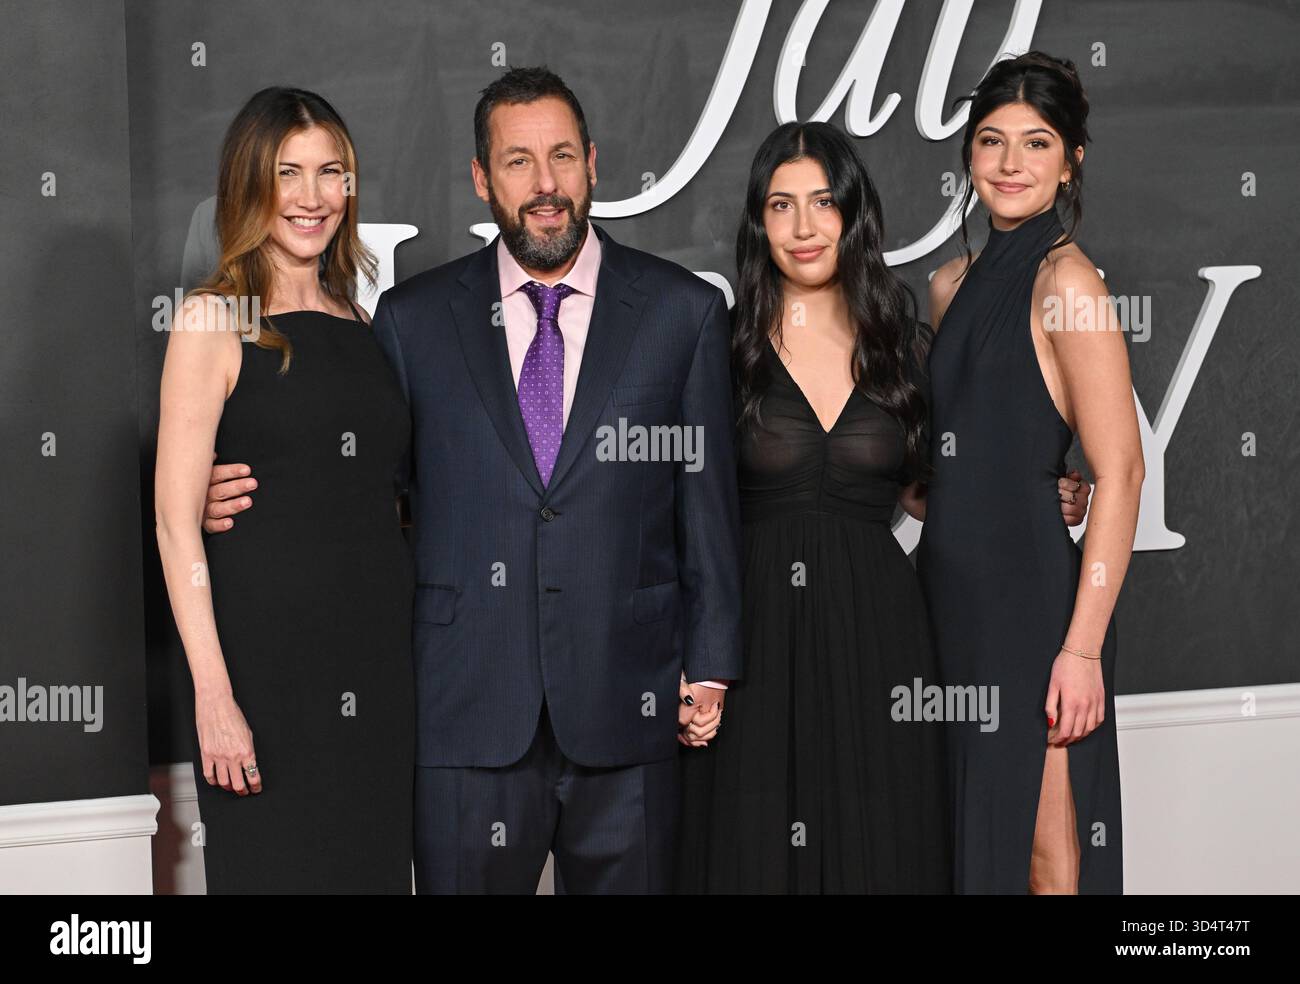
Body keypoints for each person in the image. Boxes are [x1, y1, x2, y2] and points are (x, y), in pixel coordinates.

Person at [203, 66, 742, 894]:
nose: (546, 184)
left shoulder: (684, 311)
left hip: (630, 701)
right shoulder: (414, 322)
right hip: (461, 712)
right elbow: (364, 482)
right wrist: (229, 489)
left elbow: (708, 503)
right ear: (482, 179)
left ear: (594, 163)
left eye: (562, 156)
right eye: (518, 162)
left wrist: (709, 663)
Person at [675, 121, 1092, 893]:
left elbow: (935, 487)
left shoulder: (902, 343)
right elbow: (683, 511)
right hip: (755, 643)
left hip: (884, 637)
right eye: (780, 205)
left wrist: (1045, 490)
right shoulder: (720, 344)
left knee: (883, 850)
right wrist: (697, 660)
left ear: (854, 212)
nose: (803, 228)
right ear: (757, 221)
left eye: (824, 202)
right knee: (754, 851)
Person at [155, 87, 415, 893]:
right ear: (247, 186)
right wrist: (214, 697)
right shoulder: (212, 319)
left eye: (329, 172)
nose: (311, 197)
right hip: (265, 677)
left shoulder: (364, 325)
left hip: (376, 669)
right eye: (287, 173)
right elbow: (173, 524)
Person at [917, 52, 1142, 894]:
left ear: (1071, 158)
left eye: (1037, 143)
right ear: (969, 155)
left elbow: (1121, 471)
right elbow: (945, 461)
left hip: (1033, 611)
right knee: (970, 845)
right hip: (947, 601)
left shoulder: (1069, 282)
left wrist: (1079, 650)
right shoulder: (947, 286)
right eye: (991, 141)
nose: (1011, 165)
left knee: (1050, 859)